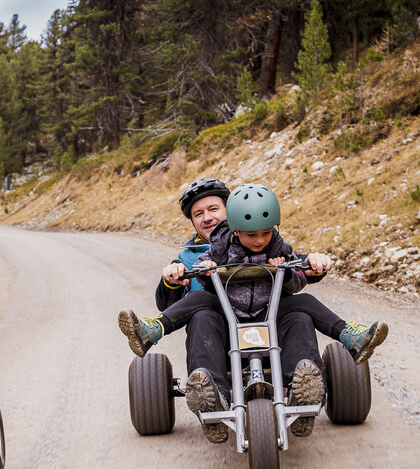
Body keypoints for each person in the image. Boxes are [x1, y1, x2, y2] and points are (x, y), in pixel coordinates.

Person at [121, 182, 386, 441]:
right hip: (219, 333)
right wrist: (173, 277)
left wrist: (314, 264)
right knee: (201, 309)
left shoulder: (269, 240)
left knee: (300, 310)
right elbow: (168, 301)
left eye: (213, 209)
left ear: (231, 212)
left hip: (270, 324)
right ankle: (208, 392)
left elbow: (298, 266)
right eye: (198, 214)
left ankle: (304, 384)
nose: (207, 218)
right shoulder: (190, 258)